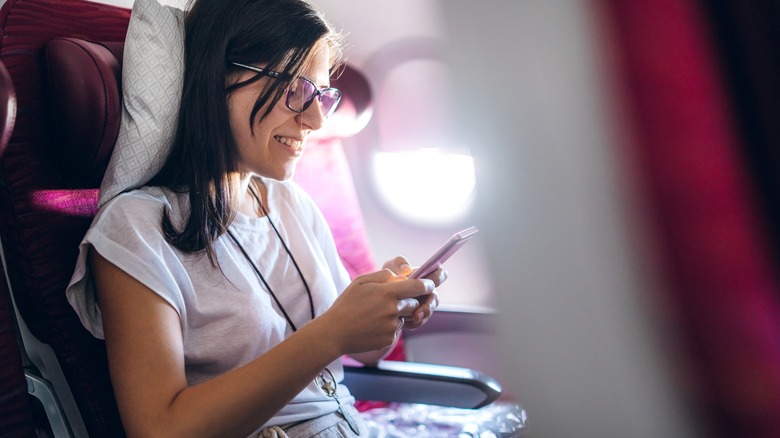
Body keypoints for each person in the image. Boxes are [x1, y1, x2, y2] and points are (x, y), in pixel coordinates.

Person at [65, 0, 444, 436]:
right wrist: (331, 336)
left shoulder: (292, 203)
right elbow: (159, 429)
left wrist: (389, 308)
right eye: (297, 90)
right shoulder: (135, 230)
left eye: (322, 95)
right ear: (216, 79)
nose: (317, 119)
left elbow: (368, 351)